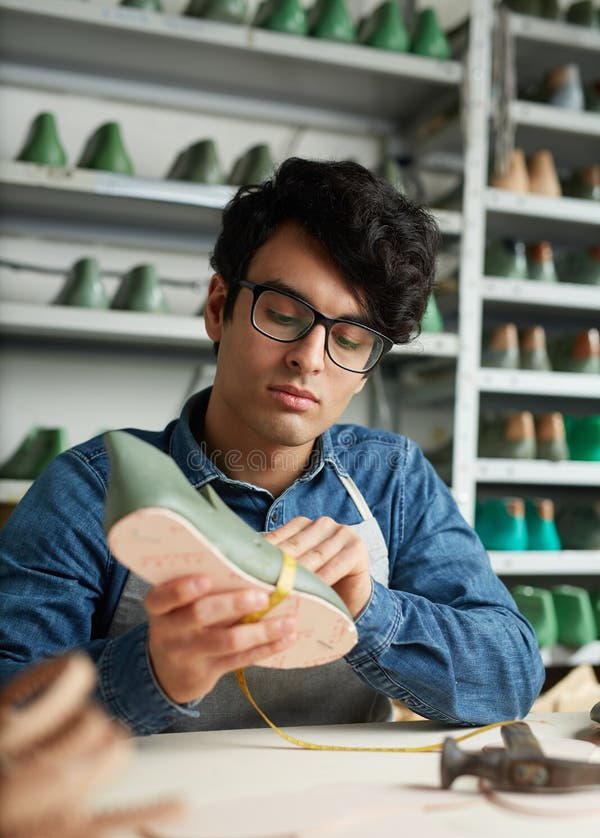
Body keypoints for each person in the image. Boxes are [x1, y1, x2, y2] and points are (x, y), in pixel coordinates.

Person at [0, 158, 544, 735]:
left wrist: (370, 610)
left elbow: (511, 676)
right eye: (283, 315)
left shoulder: (393, 478)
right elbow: (10, 699)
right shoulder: (90, 489)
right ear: (219, 308)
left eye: (350, 340)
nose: (309, 359)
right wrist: (151, 672)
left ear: (366, 370)